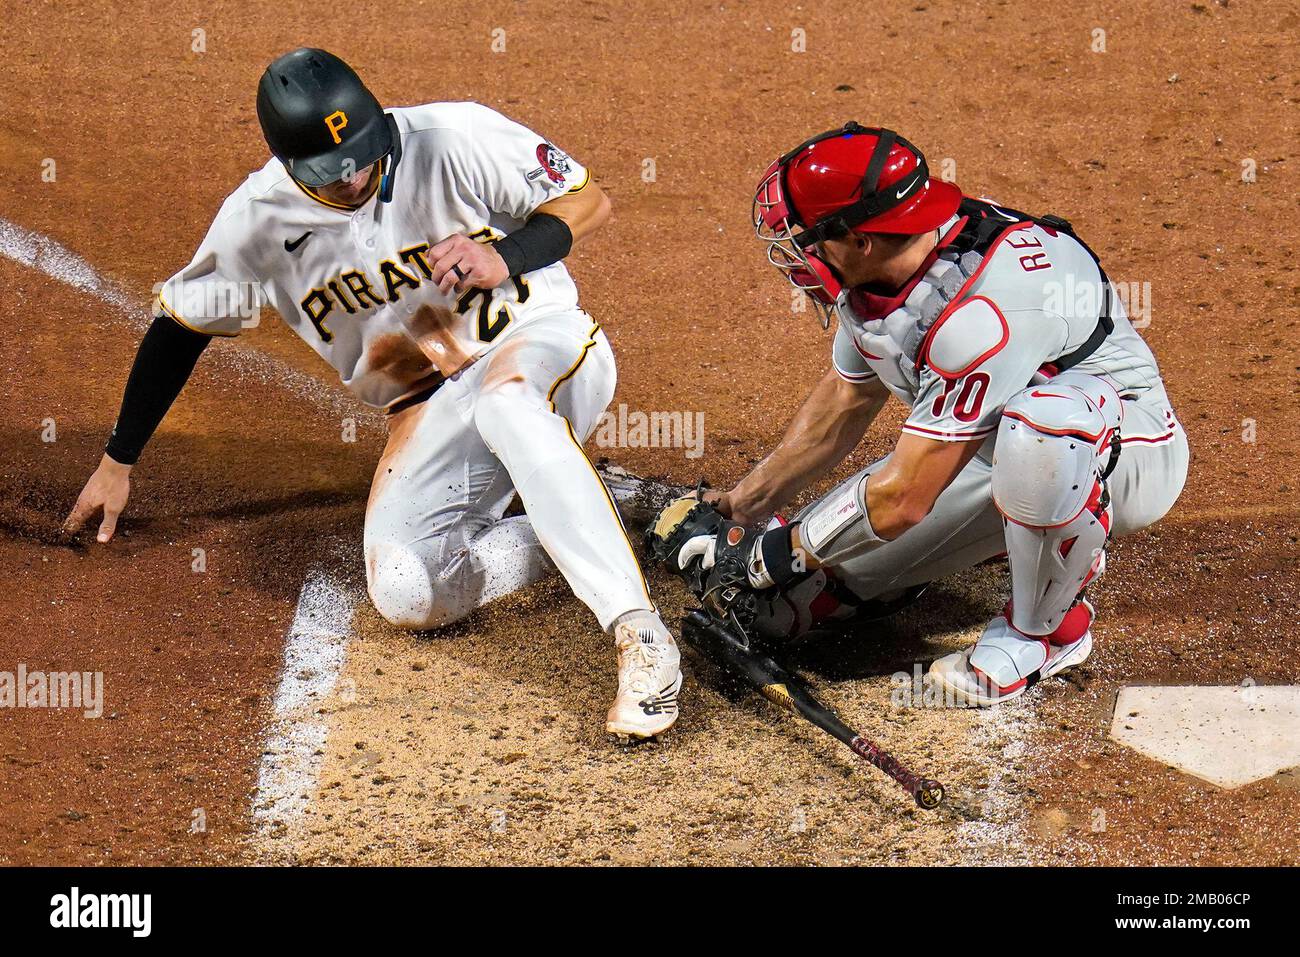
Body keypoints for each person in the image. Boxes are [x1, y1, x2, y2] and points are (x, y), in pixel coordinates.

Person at [64, 48, 681, 738]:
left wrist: (506, 255)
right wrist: (119, 460)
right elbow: (181, 328)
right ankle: (627, 507)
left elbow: (587, 199)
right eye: (330, 170)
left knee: (505, 402)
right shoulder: (256, 221)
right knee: (408, 590)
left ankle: (641, 636)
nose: (354, 175)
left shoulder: (452, 137)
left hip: (539, 345)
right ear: (290, 165)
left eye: (362, 154)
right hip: (427, 409)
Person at [651, 122, 1187, 706]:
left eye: (810, 238)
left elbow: (904, 496)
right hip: (981, 454)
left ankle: (1046, 634)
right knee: (775, 612)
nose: (799, 253)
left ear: (858, 239)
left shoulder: (984, 306)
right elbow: (846, 398)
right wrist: (743, 508)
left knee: (1044, 426)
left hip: (1120, 447)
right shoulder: (891, 265)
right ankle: (962, 555)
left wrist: (770, 555)